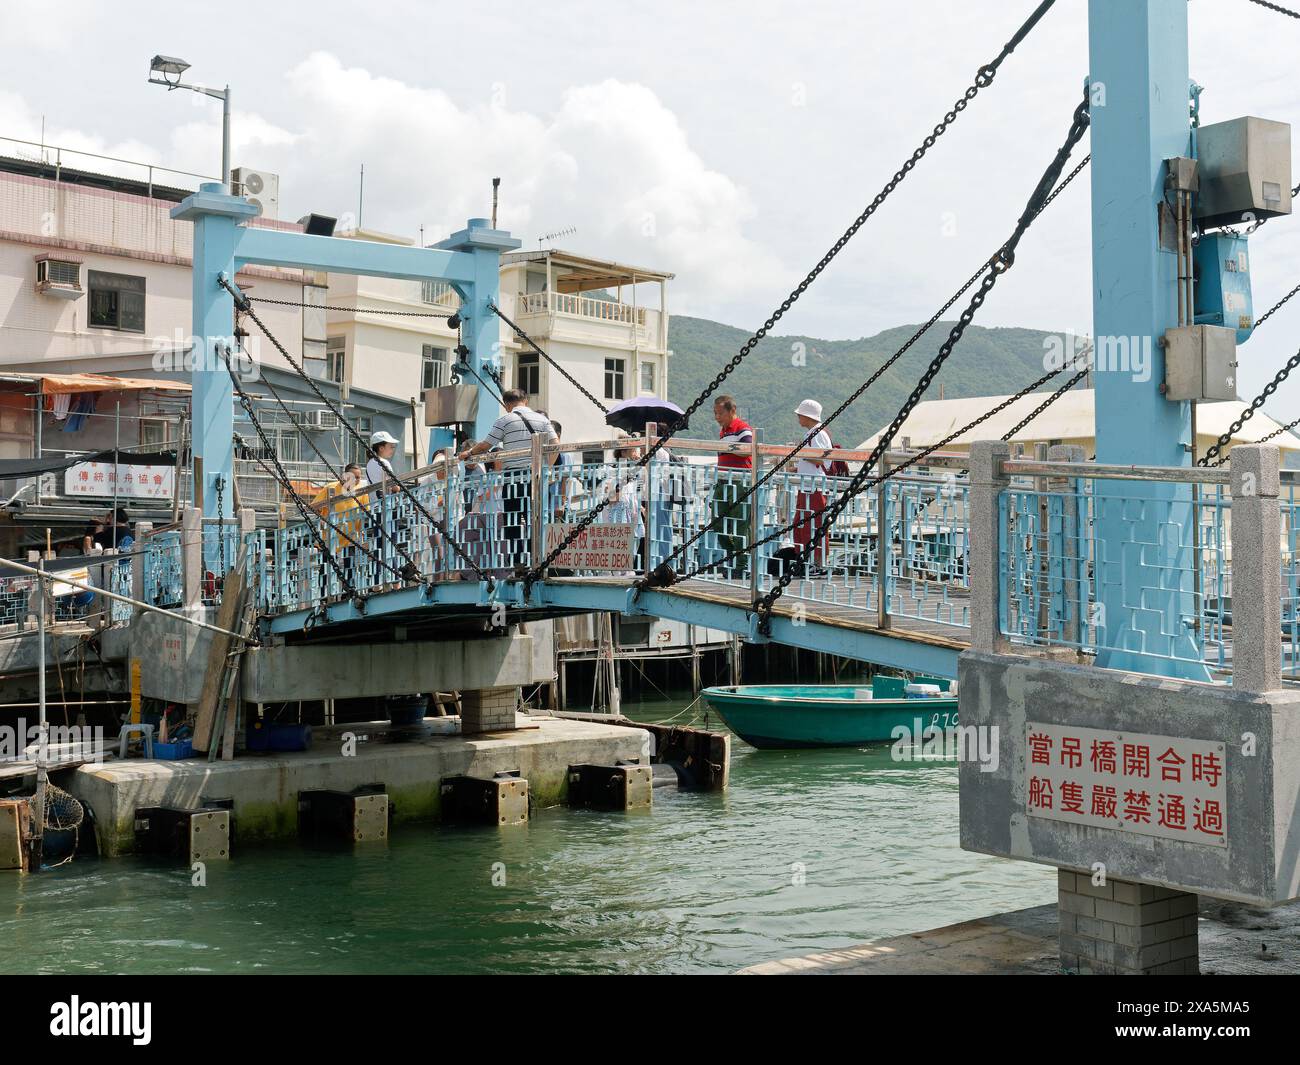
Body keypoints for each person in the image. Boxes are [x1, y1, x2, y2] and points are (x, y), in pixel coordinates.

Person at [457, 389, 557, 570]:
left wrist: (469, 453)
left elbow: (487, 445)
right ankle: (538, 559)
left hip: (514, 477)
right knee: (535, 518)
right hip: (536, 476)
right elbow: (556, 445)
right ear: (525, 401)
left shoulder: (504, 420)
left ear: (506, 405)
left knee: (513, 519)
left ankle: (518, 562)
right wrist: (547, 469)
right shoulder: (542, 419)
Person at [710, 396, 753, 579]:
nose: (717, 417)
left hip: (739, 481)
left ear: (731, 411)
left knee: (740, 524)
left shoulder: (742, 428)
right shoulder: (724, 432)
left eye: (720, 413)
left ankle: (740, 564)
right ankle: (733, 557)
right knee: (717, 522)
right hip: (723, 480)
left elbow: (749, 449)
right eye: (715, 413)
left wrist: (729, 448)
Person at [791, 399, 832, 570]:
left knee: (813, 526)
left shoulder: (818, 433)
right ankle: (807, 561)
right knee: (803, 526)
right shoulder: (813, 433)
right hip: (808, 486)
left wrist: (801, 454)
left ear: (806, 415)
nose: (798, 417)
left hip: (814, 487)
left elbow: (823, 459)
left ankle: (817, 563)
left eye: (800, 414)